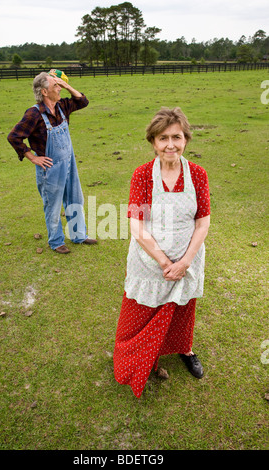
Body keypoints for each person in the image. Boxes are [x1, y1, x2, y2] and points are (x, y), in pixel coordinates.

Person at [113, 107, 211, 398]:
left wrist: (184, 262)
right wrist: (165, 262)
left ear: (186, 140)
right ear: (153, 142)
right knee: (140, 311)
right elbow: (137, 225)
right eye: (163, 138)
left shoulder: (198, 174)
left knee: (182, 309)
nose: (171, 144)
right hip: (149, 259)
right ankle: (144, 354)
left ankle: (185, 349)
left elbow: (203, 223)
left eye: (177, 137)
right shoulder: (142, 175)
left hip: (187, 256)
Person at [7, 71, 97, 253]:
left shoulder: (62, 106)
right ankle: (56, 241)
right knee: (53, 204)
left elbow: (83, 101)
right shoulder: (34, 113)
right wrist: (32, 156)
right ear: (44, 92)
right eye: (55, 85)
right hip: (50, 168)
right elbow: (14, 137)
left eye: (59, 85)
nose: (59, 87)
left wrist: (66, 85)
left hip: (69, 163)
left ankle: (79, 235)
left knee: (75, 199)